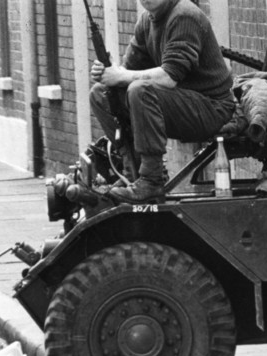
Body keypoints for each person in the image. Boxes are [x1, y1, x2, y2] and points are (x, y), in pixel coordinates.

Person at [89, 0, 235, 204]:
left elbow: (169, 77)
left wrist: (121, 76)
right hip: (183, 105)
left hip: (212, 109)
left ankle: (152, 181)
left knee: (140, 90)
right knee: (101, 94)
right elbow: (126, 72)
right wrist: (108, 72)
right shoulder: (147, 21)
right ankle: (134, 174)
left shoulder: (184, 16)